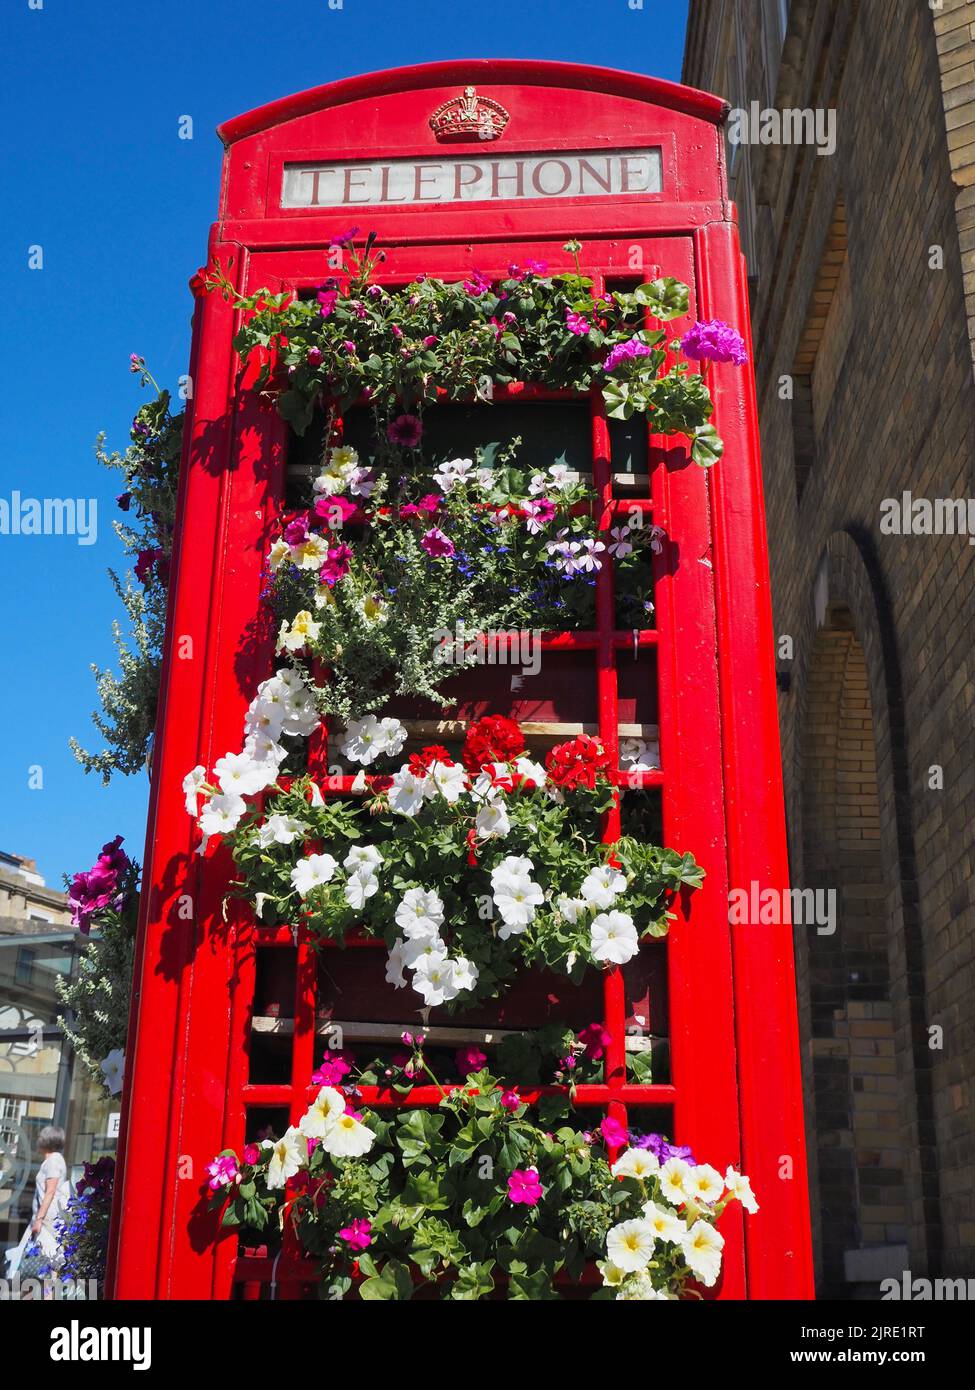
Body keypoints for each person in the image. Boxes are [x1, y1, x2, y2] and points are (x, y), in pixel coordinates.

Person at [29, 1125, 72, 1272]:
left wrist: (39, 1219)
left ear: (46, 1141)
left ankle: (47, 1295)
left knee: (47, 1267)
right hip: (46, 1221)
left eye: (40, 1137)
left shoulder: (53, 1161)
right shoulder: (53, 1160)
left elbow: (50, 1191)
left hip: (48, 1223)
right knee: (46, 1268)